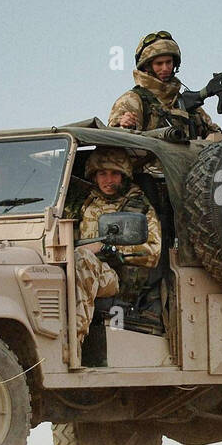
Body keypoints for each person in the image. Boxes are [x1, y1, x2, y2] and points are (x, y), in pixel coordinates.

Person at [71, 147, 162, 349]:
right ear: (94, 176)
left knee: (82, 260)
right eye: (102, 173)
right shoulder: (88, 203)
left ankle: (75, 341)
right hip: (86, 271)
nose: (108, 180)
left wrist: (108, 248)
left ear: (124, 176)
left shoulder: (137, 205)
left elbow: (153, 252)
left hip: (117, 276)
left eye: (114, 173)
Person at [108, 31, 221, 139]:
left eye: (169, 62)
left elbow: (216, 139)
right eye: (159, 63)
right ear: (147, 67)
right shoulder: (132, 100)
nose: (165, 68)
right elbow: (113, 140)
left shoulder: (185, 104)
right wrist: (124, 126)